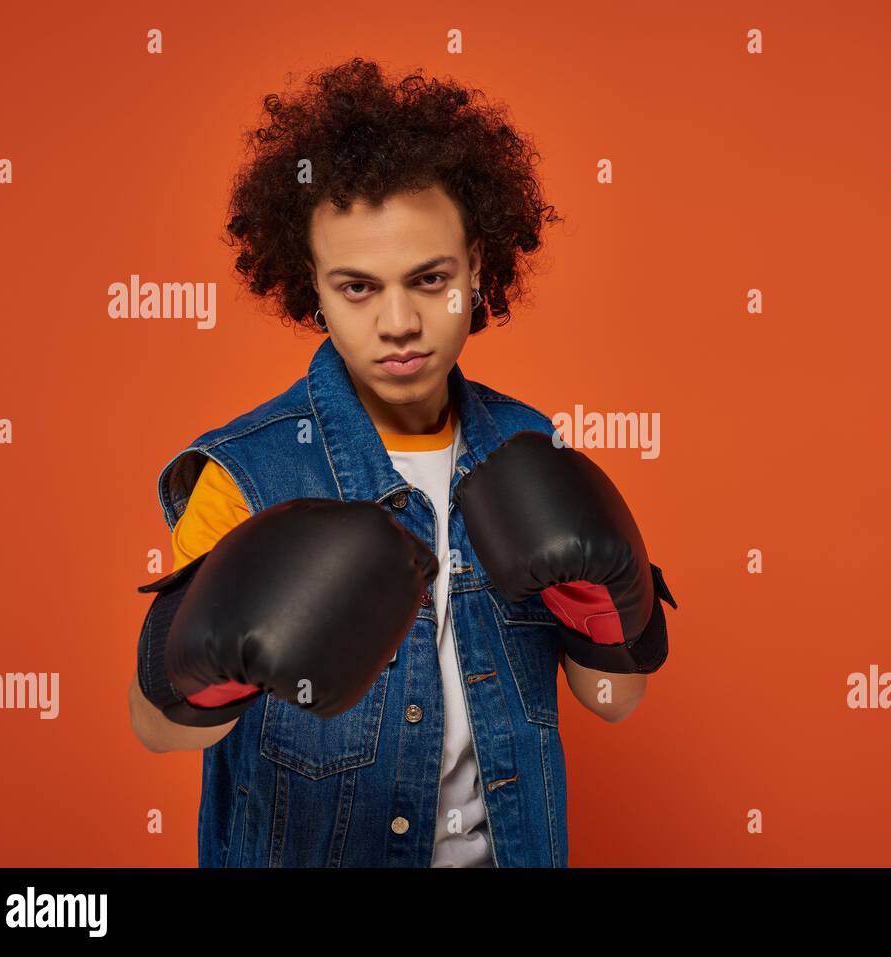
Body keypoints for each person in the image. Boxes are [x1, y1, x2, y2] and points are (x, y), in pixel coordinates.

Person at [125, 57, 676, 868]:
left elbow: (613, 701)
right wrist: (225, 653)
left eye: (430, 279)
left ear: (478, 267)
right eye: (356, 286)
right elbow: (155, 725)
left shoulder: (529, 447)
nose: (398, 321)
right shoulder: (249, 473)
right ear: (311, 285)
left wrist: (611, 610)